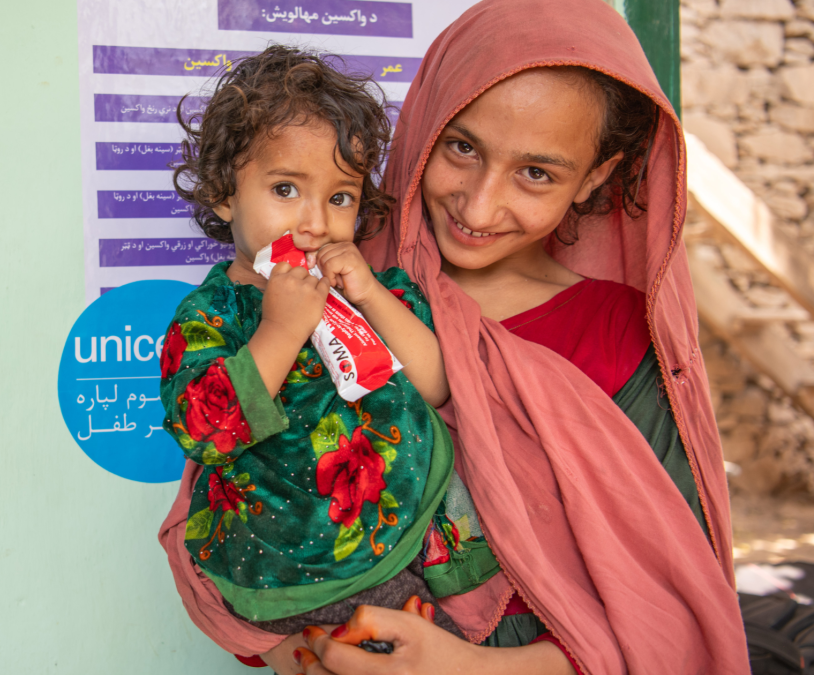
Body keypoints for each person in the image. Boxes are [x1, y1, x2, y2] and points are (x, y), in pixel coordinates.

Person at [157, 0, 751, 673]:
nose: (477, 204)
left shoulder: (617, 337)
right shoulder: (319, 295)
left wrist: (470, 667)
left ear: (597, 175)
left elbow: (669, 615)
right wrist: (300, 647)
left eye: (537, 172)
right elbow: (228, 491)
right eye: (461, 147)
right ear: (425, 125)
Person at [160, 45, 468, 639]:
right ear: (225, 193)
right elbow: (203, 431)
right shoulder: (211, 317)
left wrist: (372, 296)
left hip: (423, 534)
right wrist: (281, 330)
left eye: (340, 197)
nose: (315, 222)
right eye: (285, 189)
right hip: (301, 571)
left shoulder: (366, 288)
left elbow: (438, 384)